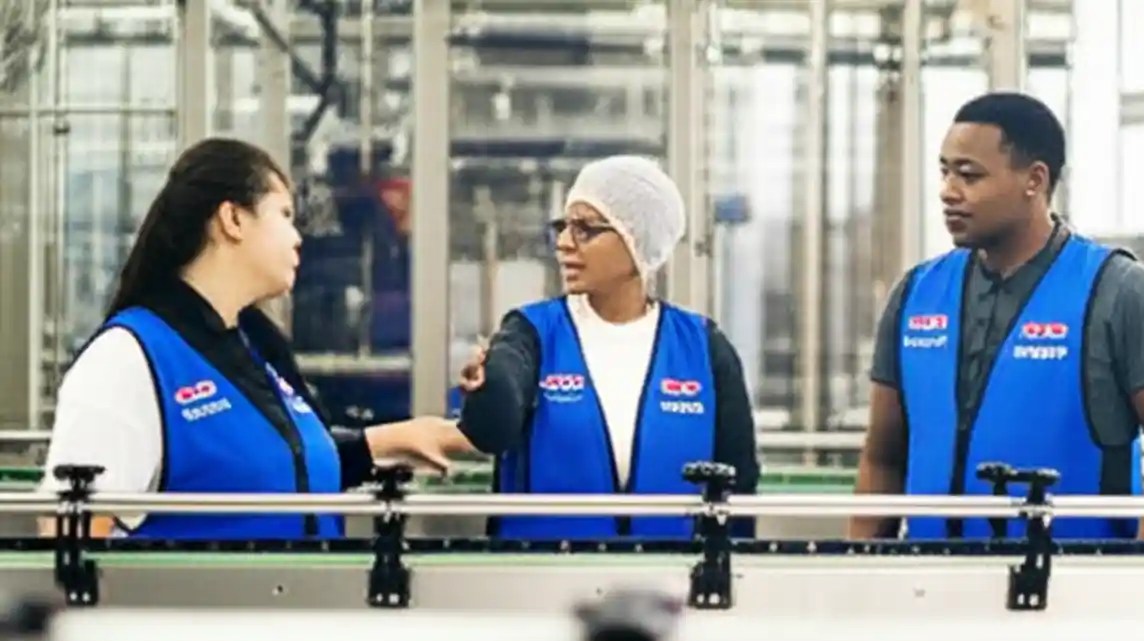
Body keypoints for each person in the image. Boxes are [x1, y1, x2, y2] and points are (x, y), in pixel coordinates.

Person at [38, 138, 452, 540]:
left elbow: (281, 469)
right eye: (285, 214)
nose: (298, 237)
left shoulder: (254, 350)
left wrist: (399, 439)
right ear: (232, 219)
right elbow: (69, 534)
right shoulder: (128, 359)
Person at [849, 92, 1144, 542]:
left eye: (969, 175)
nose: (948, 191)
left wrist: (1136, 570)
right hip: (930, 589)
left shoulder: (1118, 292)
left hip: (1073, 593)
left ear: (1034, 180)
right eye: (944, 171)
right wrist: (862, 570)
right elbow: (884, 457)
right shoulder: (916, 295)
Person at [436, 155, 760, 541]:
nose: (563, 243)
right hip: (536, 584)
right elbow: (492, 425)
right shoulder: (532, 333)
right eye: (563, 227)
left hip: (672, 587)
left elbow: (739, 487)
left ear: (636, 240)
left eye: (585, 229)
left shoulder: (704, 349)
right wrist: (485, 390)